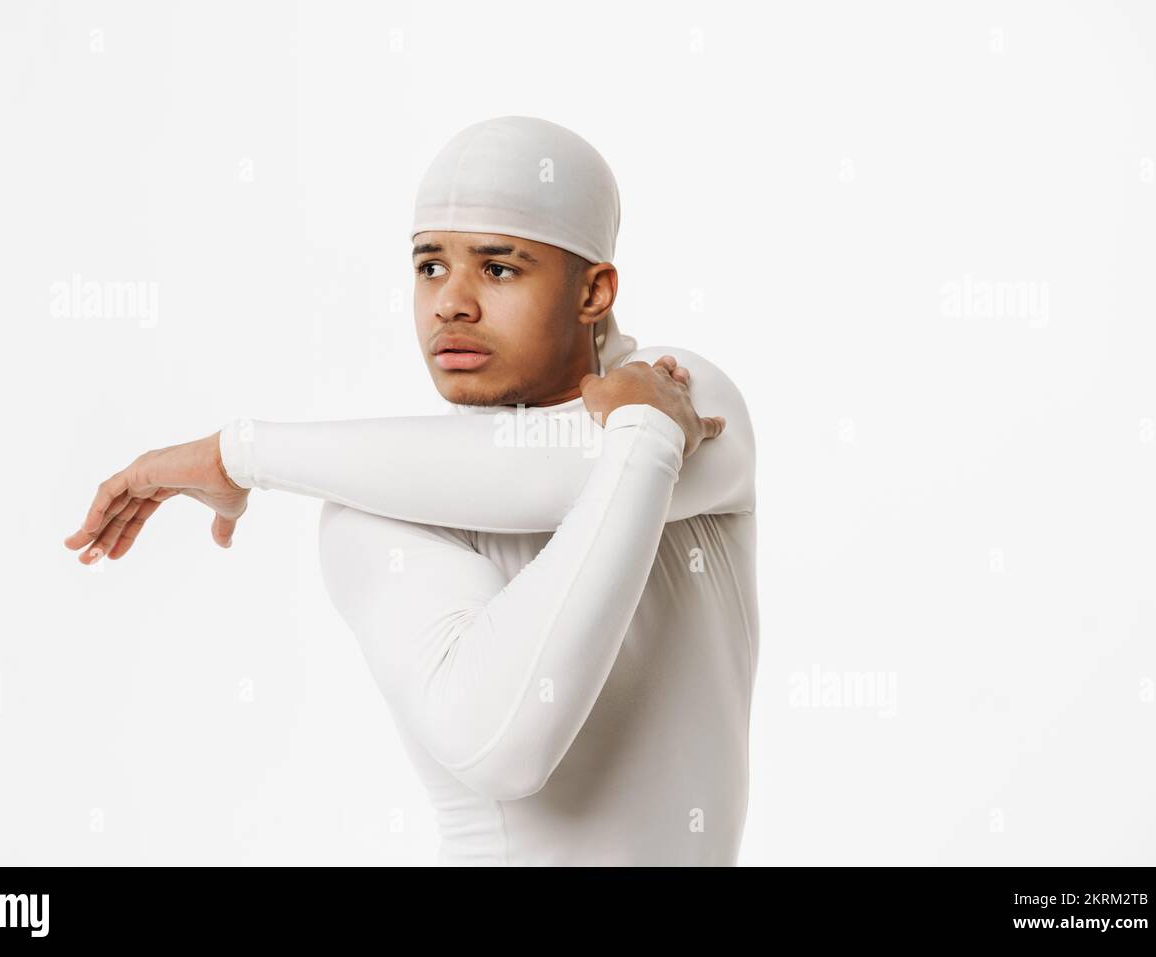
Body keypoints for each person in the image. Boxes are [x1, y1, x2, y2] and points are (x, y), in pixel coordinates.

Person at [65, 116, 759, 865]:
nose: (449, 304)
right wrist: (645, 436)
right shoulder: (374, 516)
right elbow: (504, 747)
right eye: (430, 266)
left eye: (498, 269)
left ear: (594, 290)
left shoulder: (689, 391)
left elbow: (548, 471)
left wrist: (245, 455)